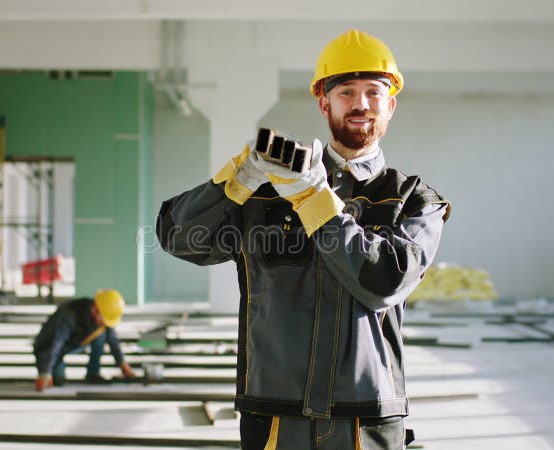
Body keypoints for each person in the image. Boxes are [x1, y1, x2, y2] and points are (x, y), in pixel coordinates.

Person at [157, 29, 451, 449]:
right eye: (346, 91)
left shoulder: (414, 201)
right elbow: (179, 238)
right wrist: (235, 180)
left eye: (373, 91)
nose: (361, 103)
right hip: (276, 416)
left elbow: (384, 280)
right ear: (324, 102)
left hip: (364, 420)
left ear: (391, 104)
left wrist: (315, 200)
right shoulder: (266, 196)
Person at [33, 289, 136, 391]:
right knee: (58, 380)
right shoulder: (69, 315)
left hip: (73, 342)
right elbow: (55, 343)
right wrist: (45, 372)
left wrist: (123, 365)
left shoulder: (101, 316)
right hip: (47, 347)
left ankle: (93, 373)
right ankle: (50, 370)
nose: (104, 323)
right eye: (104, 319)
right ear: (95, 309)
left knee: (102, 333)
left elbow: (112, 339)